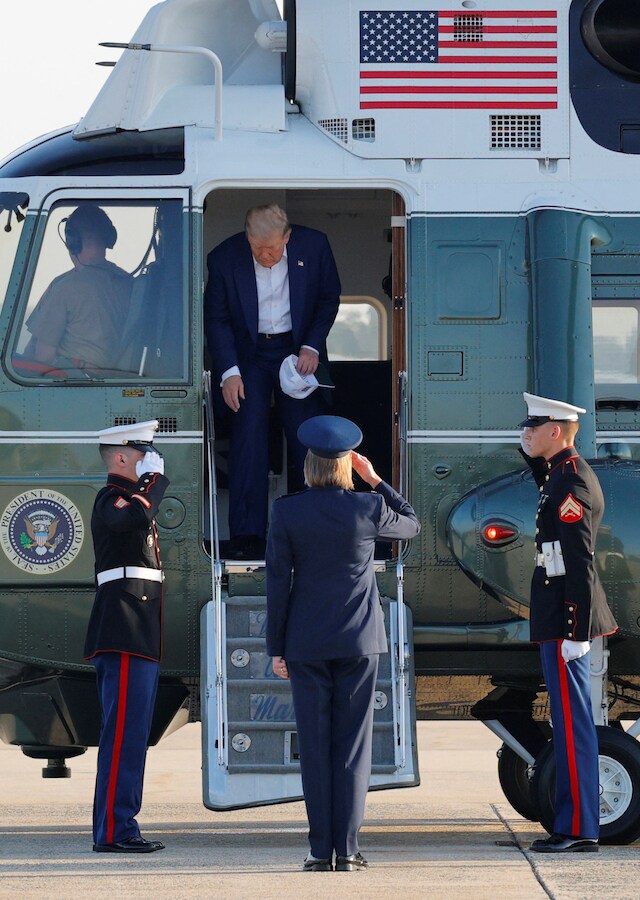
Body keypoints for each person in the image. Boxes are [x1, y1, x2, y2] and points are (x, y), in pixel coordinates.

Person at [266, 415, 420, 872]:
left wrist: (276, 647)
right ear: (347, 466)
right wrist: (376, 480)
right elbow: (411, 525)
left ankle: (319, 851)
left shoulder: (287, 511)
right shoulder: (368, 507)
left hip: (305, 641)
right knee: (353, 748)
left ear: (310, 466)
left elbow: (277, 583)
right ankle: (348, 851)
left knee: (314, 747)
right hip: (359, 640)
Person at [204, 203, 341, 559]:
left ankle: (310, 531)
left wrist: (312, 345)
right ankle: (247, 536)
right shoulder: (223, 258)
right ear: (247, 237)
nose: (265, 256)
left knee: (307, 438)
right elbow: (216, 320)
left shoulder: (314, 247)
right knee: (248, 434)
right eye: (257, 248)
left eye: (272, 249)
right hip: (249, 354)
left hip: (297, 350)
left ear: (287, 238)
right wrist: (229, 373)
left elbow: (328, 299)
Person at [518, 392, 618, 853]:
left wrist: (577, 634)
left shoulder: (571, 483)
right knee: (567, 721)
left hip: (565, 621)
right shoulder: (561, 473)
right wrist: (530, 449)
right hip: (558, 617)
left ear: (555, 431)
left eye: (533, 427)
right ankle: (574, 823)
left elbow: (579, 563)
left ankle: (577, 828)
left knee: (574, 724)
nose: (526, 433)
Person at [84, 419, 169, 853]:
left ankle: (121, 826)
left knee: (131, 735)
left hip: (137, 633)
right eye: (142, 453)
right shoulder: (110, 500)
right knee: (121, 736)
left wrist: (149, 482)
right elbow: (134, 516)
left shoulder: (129, 500)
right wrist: (153, 480)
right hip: (121, 629)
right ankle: (115, 831)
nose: (149, 460)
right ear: (121, 457)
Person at [24, 205, 132, 371]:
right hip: (119, 380)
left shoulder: (65, 286)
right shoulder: (130, 283)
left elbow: (42, 357)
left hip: (73, 383)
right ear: (110, 238)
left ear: (72, 240)